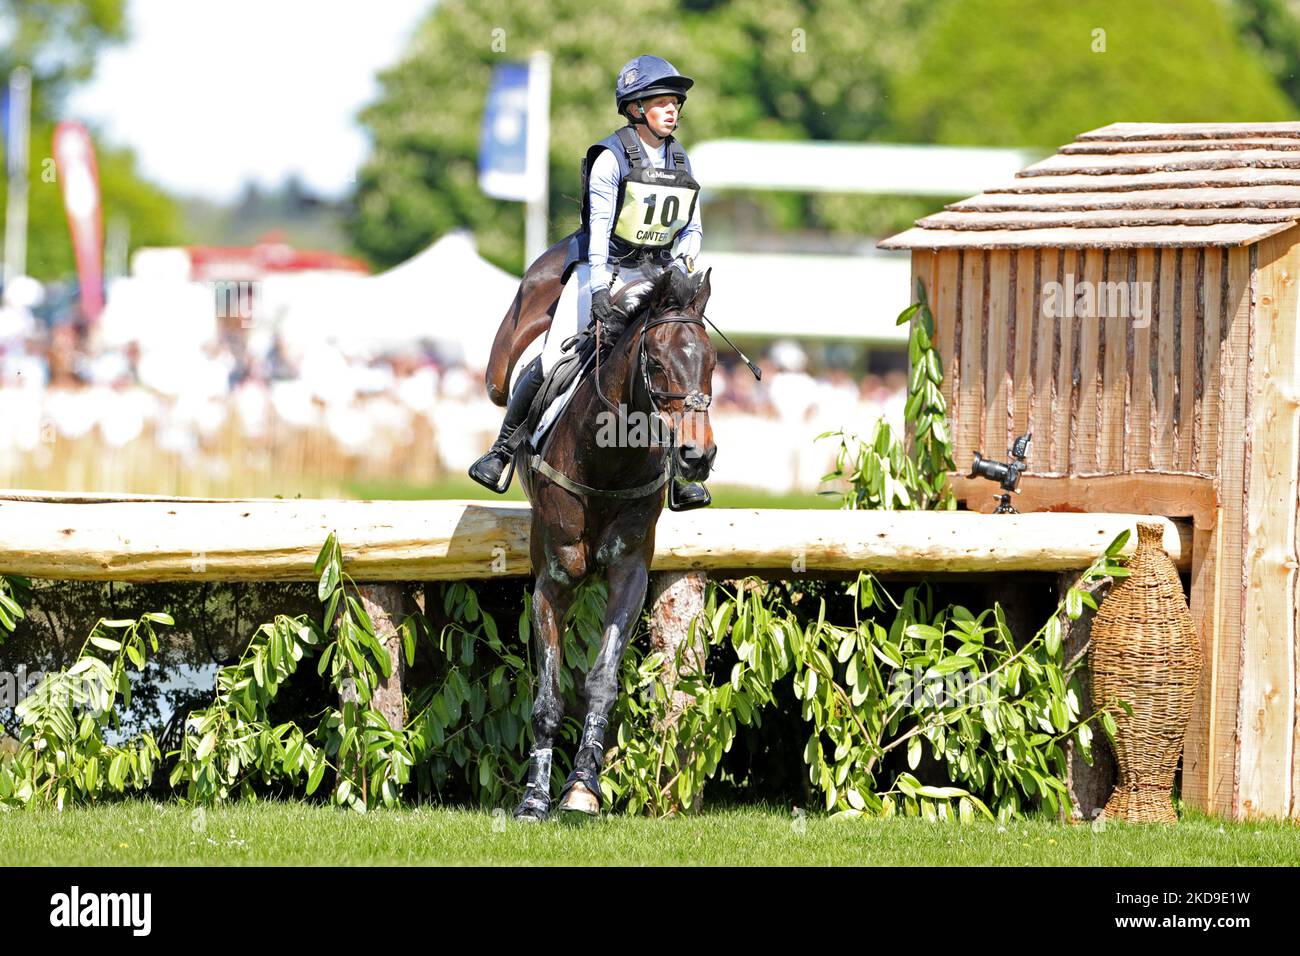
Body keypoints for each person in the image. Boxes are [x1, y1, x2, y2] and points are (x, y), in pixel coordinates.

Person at [468, 54, 711, 509]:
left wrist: (683, 265)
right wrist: (599, 288)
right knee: (554, 355)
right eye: (662, 101)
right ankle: (501, 451)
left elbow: (692, 227)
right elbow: (599, 229)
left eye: (675, 101)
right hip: (604, 267)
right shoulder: (610, 157)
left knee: (683, 358)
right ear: (636, 108)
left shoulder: (682, 159)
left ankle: (683, 473)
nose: (673, 108)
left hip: (656, 274)